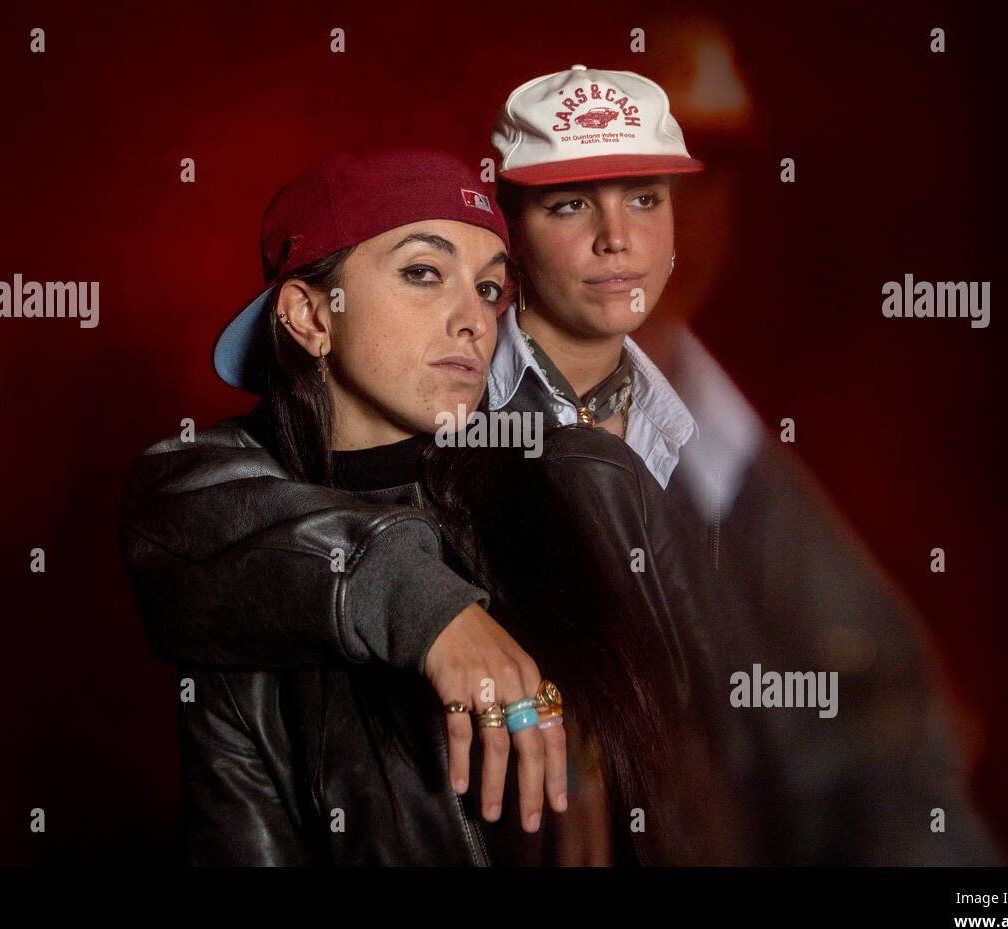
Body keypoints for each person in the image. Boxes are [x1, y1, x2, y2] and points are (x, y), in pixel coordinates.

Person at [118, 147, 730, 865]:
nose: (473, 319)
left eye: (491, 289)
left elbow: (729, 783)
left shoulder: (592, 484)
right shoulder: (250, 587)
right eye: (422, 273)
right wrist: (430, 613)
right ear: (310, 315)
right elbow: (175, 509)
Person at [487, 60, 1000, 864]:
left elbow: (891, 765)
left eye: (695, 172)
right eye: (592, 186)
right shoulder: (476, 456)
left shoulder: (747, 462)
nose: (642, 220)